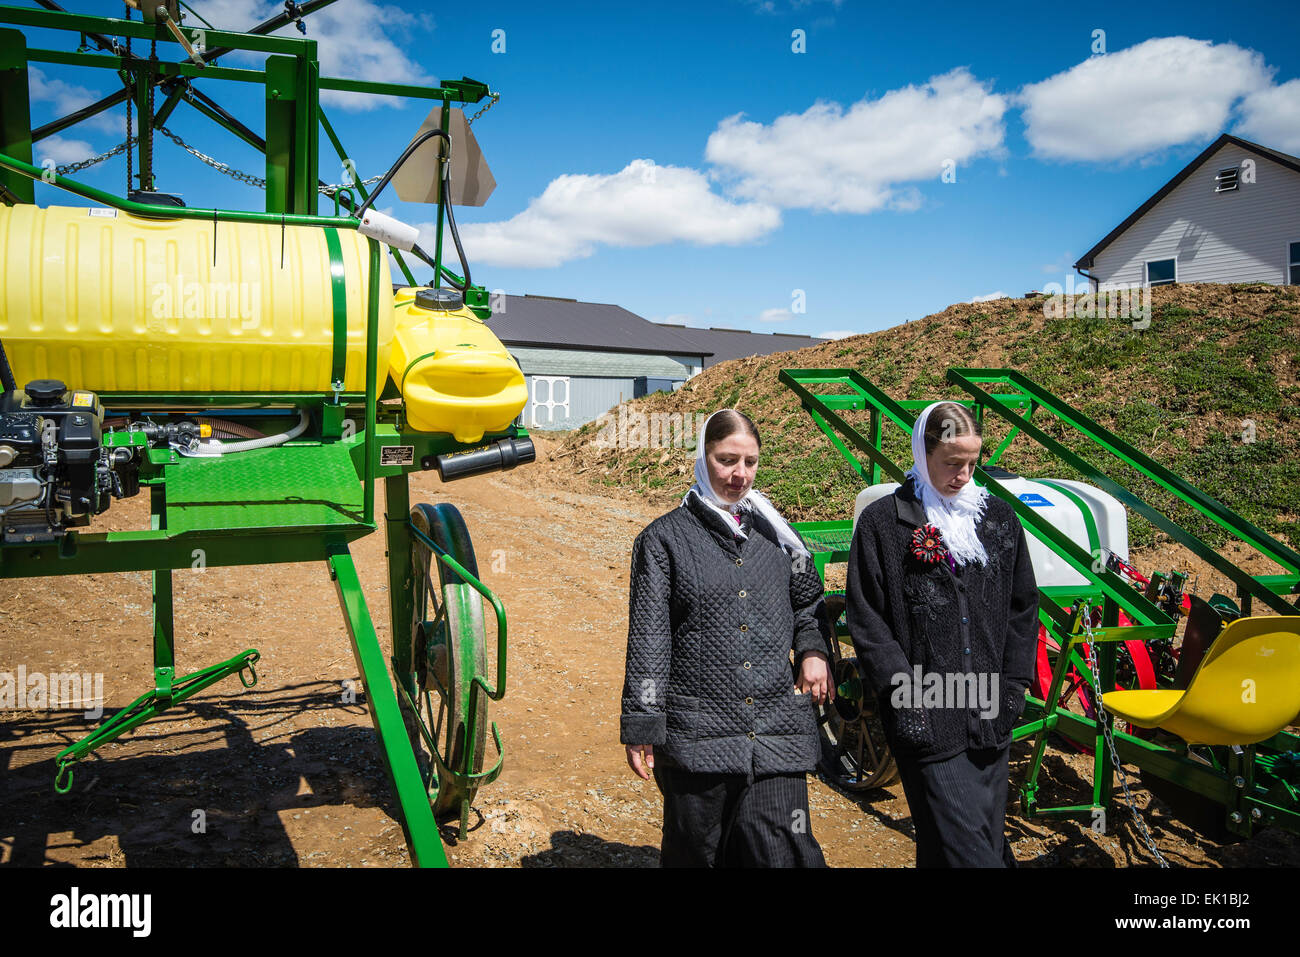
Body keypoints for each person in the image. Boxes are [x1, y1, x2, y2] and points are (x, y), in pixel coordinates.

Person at [620, 408, 835, 867]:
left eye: (750, 462)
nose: (740, 475)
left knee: (787, 851)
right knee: (698, 852)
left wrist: (813, 651)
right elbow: (649, 639)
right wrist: (642, 724)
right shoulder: (664, 541)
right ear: (703, 457)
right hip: (699, 735)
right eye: (726, 460)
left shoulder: (778, 536)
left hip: (776, 727)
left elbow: (808, 602)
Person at [845, 400, 1039, 867]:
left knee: (955, 848)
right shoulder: (884, 523)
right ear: (922, 453)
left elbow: (1022, 608)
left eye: (973, 463)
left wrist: (1014, 686)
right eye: (952, 463)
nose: (964, 475)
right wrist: (903, 693)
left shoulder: (998, 520)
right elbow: (867, 617)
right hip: (926, 717)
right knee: (974, 857)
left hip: (990, 716)